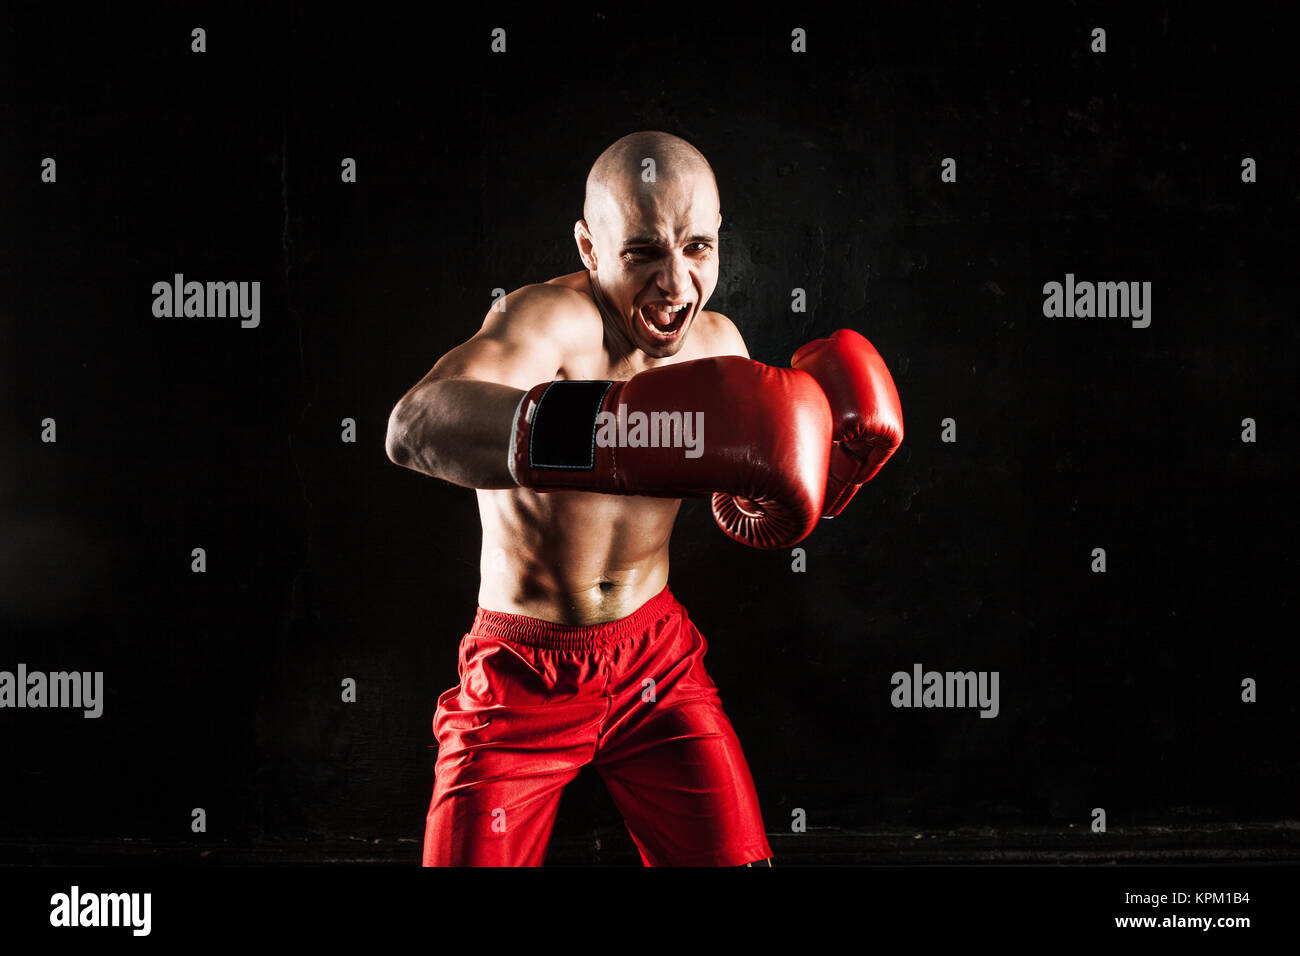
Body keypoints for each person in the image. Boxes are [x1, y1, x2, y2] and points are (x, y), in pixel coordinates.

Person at [385, 130, 903, 866]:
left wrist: (832, 472)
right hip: (523, 669)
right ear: (590, 248)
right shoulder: (549, 321)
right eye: (642, 253)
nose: (675, 285)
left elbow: (757, 487)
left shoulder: (718, 349)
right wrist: (615, 429)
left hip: (655, 663)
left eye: (697, 248)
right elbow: (413, 427)